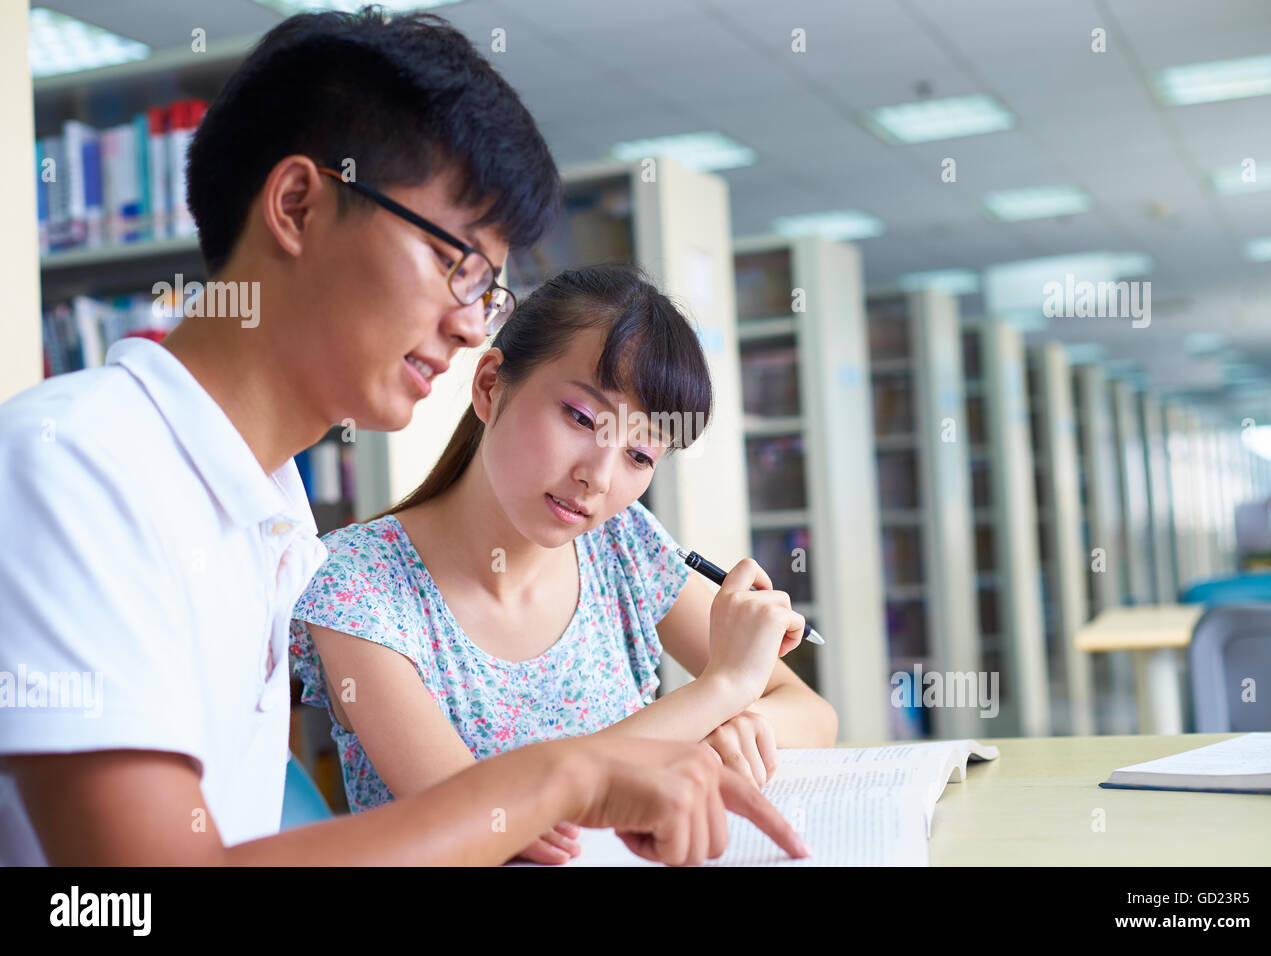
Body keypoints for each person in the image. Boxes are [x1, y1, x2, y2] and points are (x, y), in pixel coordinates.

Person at [0, 9, 808, 866]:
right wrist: (566, 774)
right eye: (454, 262)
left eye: (489, 290)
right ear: (299, 205)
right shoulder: (77, 462)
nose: (469, 328)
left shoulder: (272, 512)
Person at [290, 264, 837, 864]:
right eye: (581, 418)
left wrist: (735, 730)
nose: (597, 478)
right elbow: (480, 820)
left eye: (638, 454)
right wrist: (721, 691)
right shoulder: (357, 586)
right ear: (492, 385)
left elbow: (811, 713)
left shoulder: (621, 545)